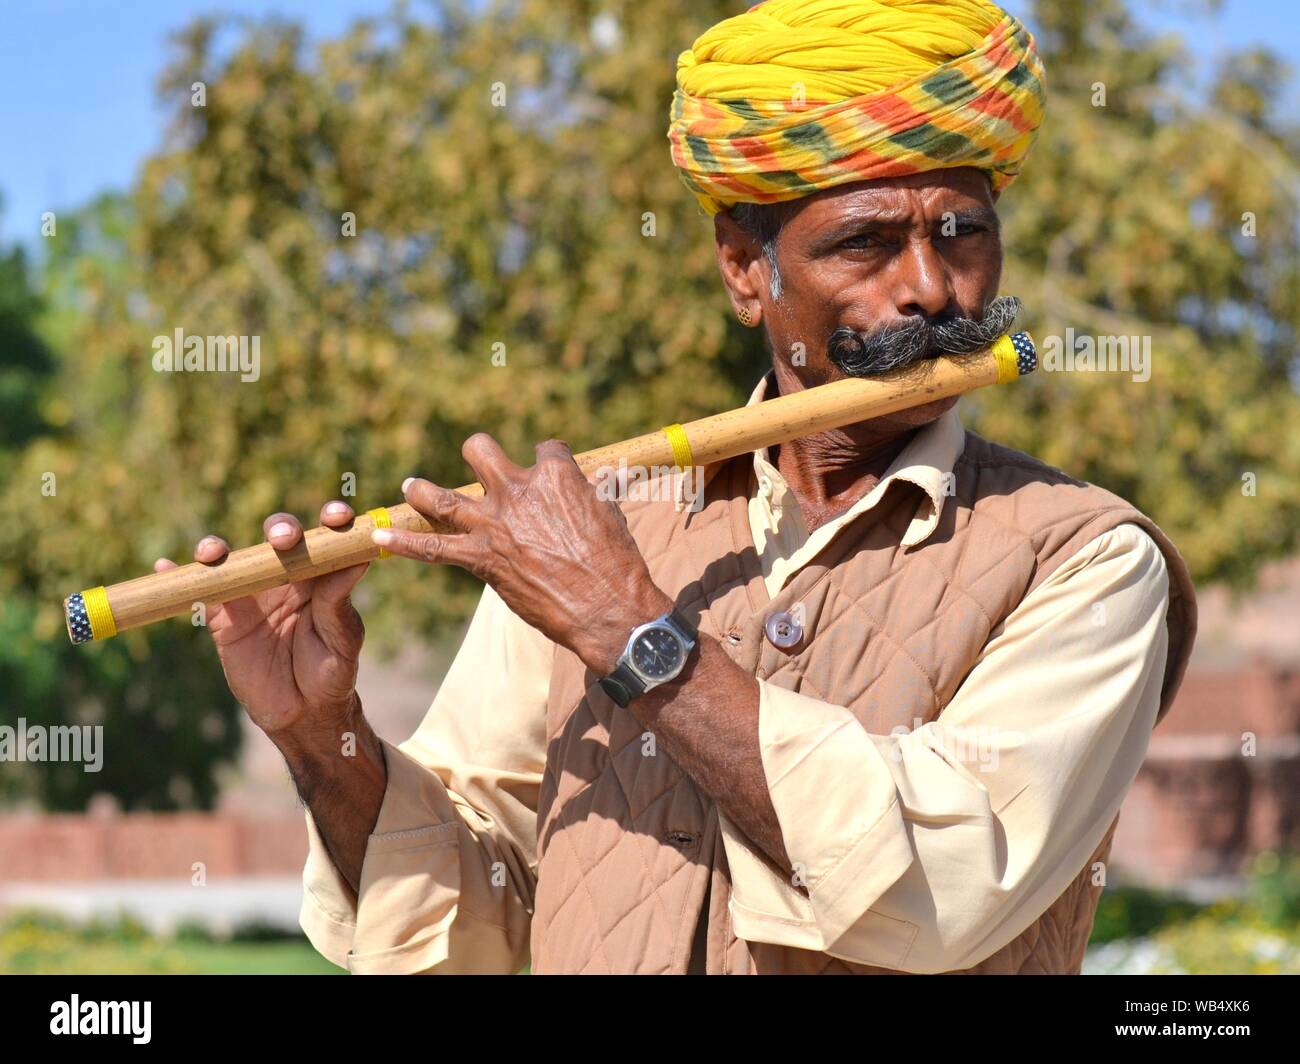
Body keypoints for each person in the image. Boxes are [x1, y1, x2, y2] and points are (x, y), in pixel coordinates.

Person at [158, 0, 1196, 974]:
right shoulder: (588, 537)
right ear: (747, 271)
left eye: (961, 233)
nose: (929, 285)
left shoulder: (1089, 558)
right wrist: (318, 734)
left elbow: (939, 892)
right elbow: (476, 918)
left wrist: (623, 623)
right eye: (867, 241)